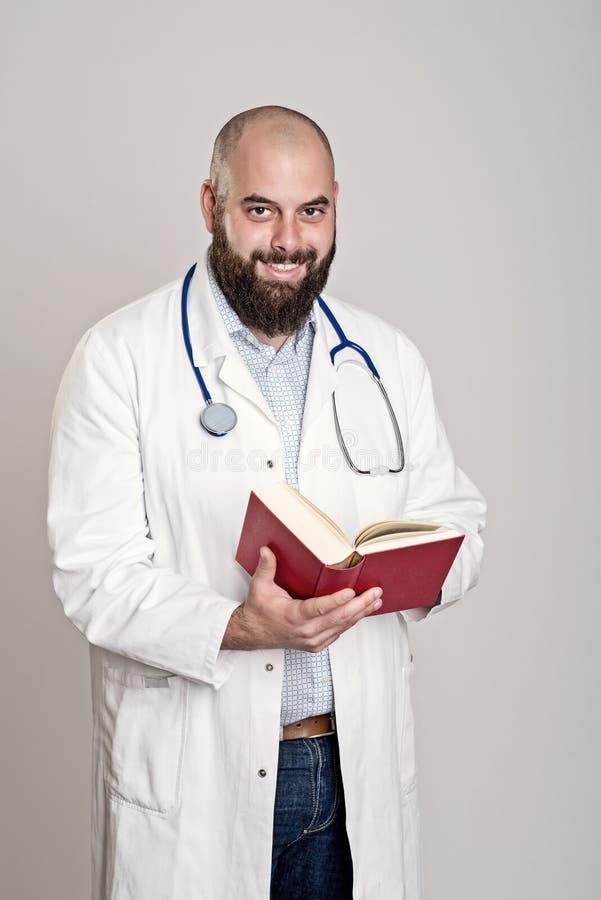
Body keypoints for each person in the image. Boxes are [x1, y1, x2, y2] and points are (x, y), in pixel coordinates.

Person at [47, 105, 486, 900]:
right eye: (260, 209)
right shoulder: (121, 357)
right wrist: (235, 625)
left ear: (334, 206)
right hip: (198, 776)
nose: (288, 240)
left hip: (350, 771)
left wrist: (407, 572)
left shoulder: (387, 357)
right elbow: (93, 574)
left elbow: (461, 522)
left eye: (310, 210)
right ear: (211, 205)